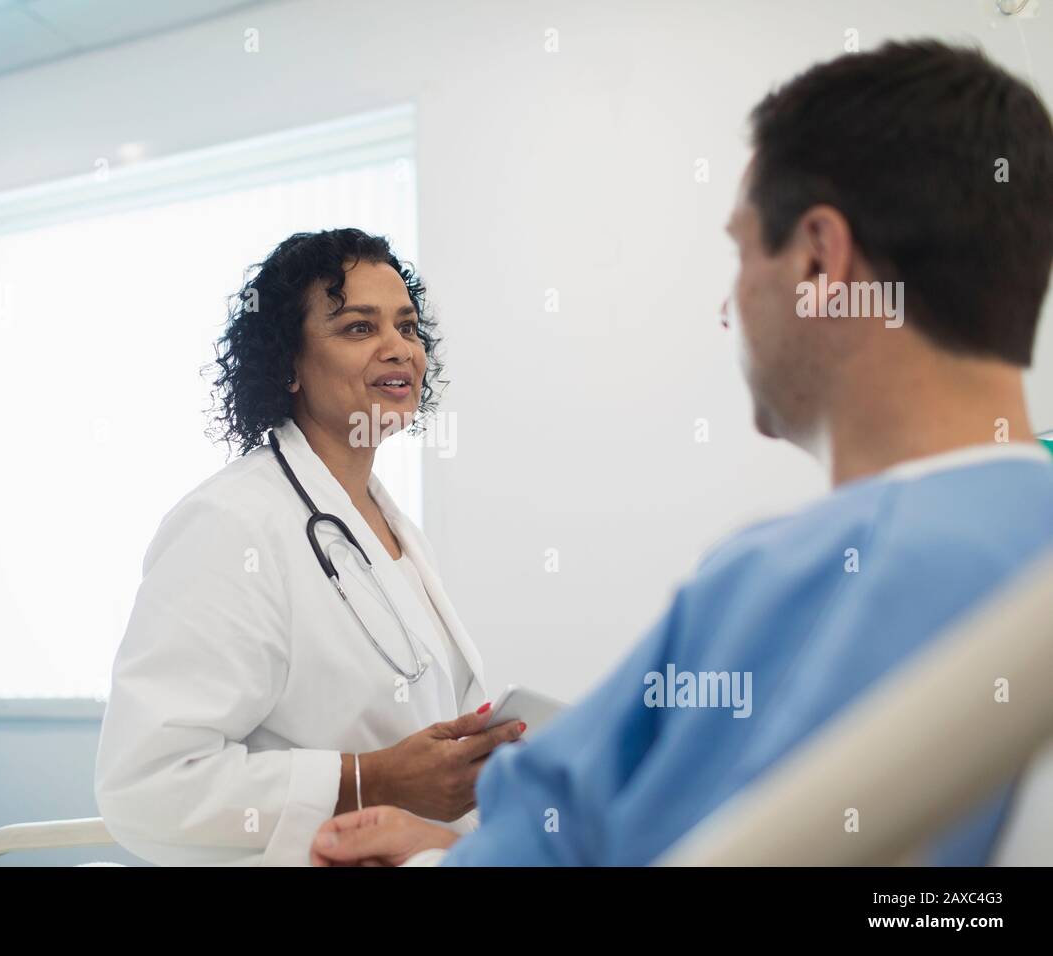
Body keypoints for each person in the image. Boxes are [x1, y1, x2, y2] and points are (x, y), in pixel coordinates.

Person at [309, 40, 1053, 867]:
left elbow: (577, 835)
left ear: (818, 259)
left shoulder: (790, 584)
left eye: (742, 253)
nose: (728, 304)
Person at [95, 228, 521, 865]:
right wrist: (369, 780)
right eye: (358, 328)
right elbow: (146, 785)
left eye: (407, 327)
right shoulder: (231, 523)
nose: (397, 348)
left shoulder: (389, 526)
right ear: (287, 364)